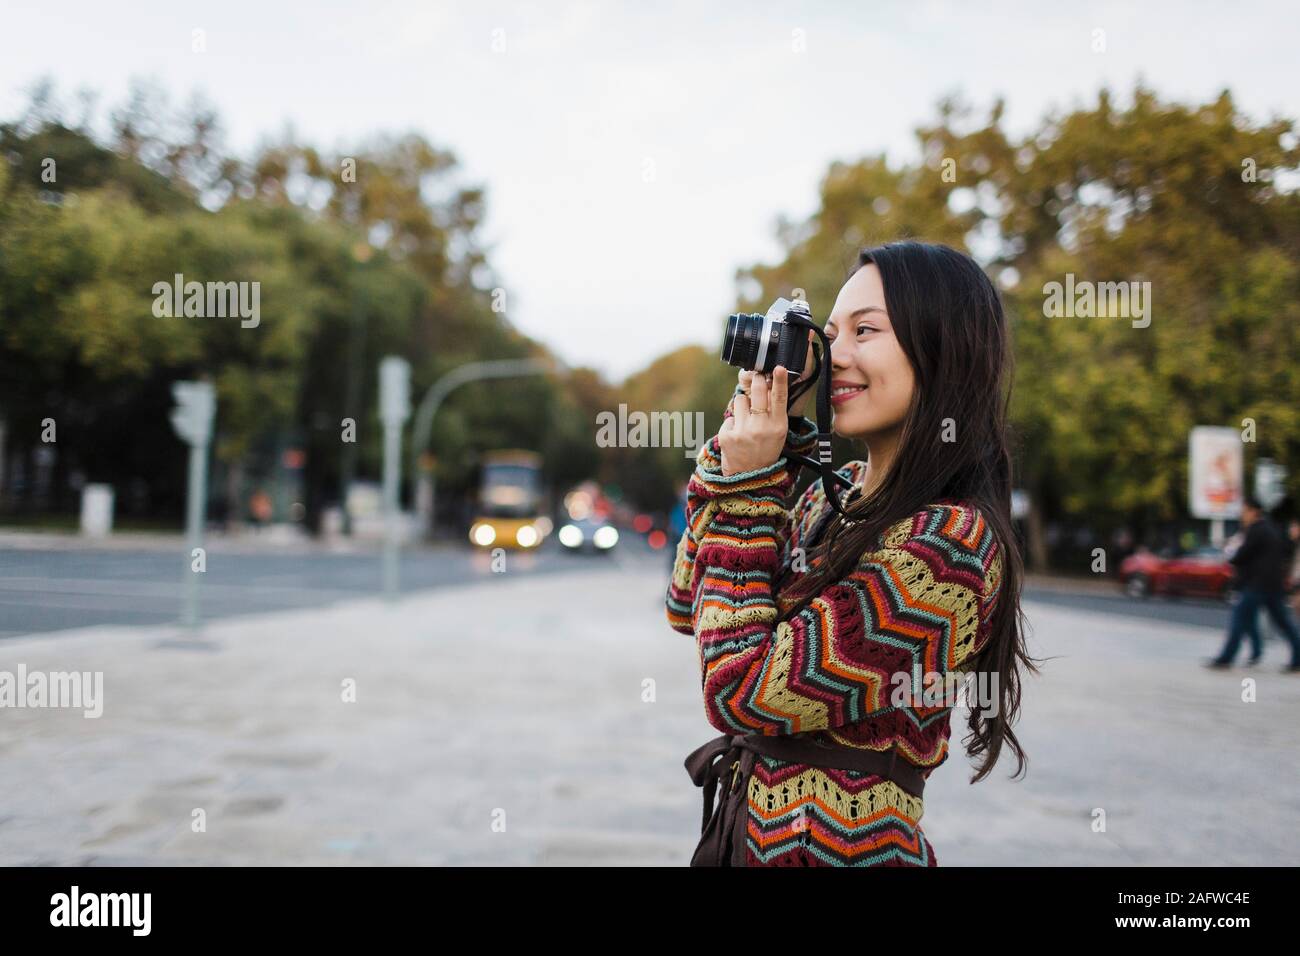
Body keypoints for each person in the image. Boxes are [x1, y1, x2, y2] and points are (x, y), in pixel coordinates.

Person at [665, 240, 1036, 866]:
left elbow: (741, 688)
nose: (837, 356)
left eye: (868, 330)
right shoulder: (824, 503)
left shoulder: (951, 548)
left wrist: (752, 491)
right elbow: (687, 603)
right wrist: (736, 453)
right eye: (830, 335)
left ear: (945, 347)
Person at [1205, 497, 1300, 672]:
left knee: (1239, 619)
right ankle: (1295, 658)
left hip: (1257, 585)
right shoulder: (1271, 528)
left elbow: (1242, 555)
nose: (1242, 515)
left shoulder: (1257, 530)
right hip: (1272, 585)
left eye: (1245, 511)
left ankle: (1226, 658)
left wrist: (1231, 557)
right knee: (1283, 623)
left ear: (1253, 511)